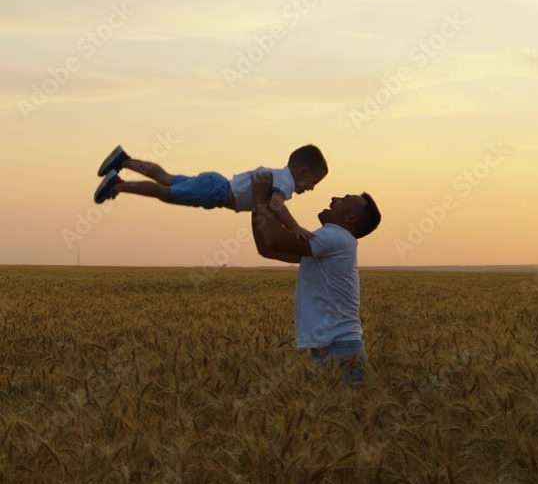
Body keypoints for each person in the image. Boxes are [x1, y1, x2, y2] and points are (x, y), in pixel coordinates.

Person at [250, 171, 381, 386]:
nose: (333, 199)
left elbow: (273, 240)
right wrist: (258, 201)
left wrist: (259, 195)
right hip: (336, 348)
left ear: (350, 219)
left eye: (343, 201)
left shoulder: (335, 237)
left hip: (341, 350)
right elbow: (267, 248)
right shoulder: (331, 241)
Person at [93, 143, 328, 239]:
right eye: (313, 182)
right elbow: (276, 204)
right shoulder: (286, 182)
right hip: (215, 193)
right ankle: (118, 184)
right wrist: (294, 227)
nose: (311, 189)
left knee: (166, 178)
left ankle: (124, 161)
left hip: (215, 183)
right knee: (164, 191)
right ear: (302, 172)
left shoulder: (280, 174)